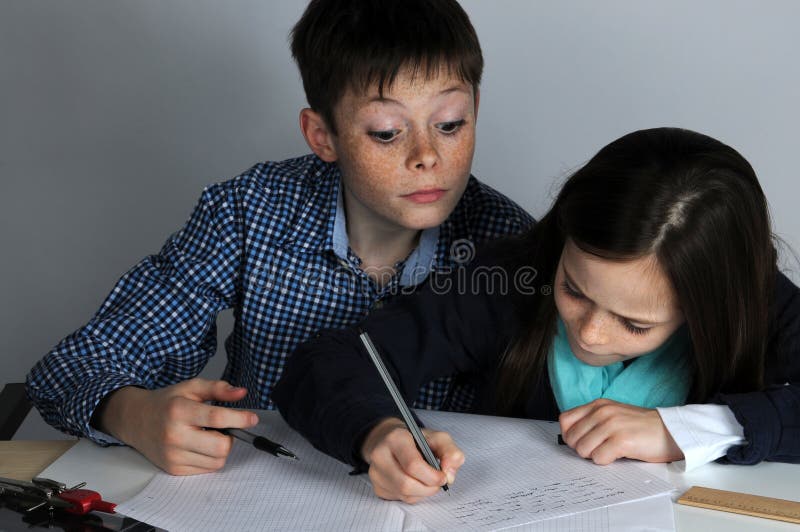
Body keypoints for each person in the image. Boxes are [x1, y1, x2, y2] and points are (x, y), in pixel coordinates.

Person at [25, 0, 533, 476]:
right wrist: (132, 414)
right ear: (322, 136)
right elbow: (72, 366)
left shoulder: (511, 244)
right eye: (386, 132)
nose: (426, 155)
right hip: (257, 487)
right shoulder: (251, 211)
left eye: (449, 123)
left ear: (476, 108)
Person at [273, 127, 800, 504]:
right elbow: (328, 362)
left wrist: (691, 430)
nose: (589, 334)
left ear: (708, 309)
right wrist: (375, 433)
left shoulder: (758, 305)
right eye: (574, 289)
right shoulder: (510, 280)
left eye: (635, 324)